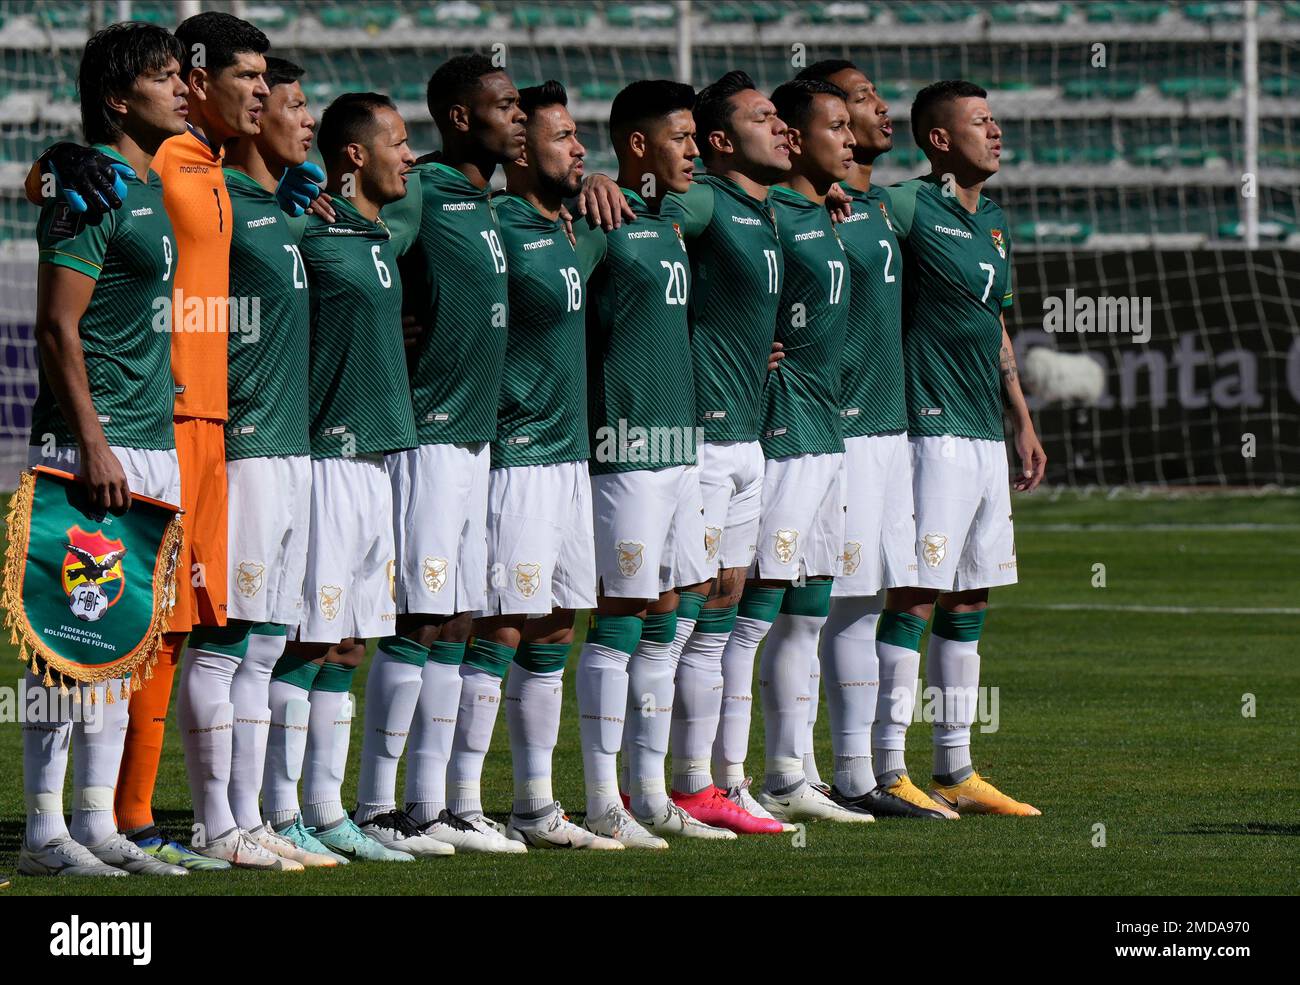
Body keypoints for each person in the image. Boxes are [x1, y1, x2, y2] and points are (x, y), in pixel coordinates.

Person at [19, 22, 191, 878]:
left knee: (122, 646)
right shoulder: (89, 188)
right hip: (91, 443)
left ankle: (97, 823)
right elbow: (56, 326)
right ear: (121, 99)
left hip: (149, 443)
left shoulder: (151, 181)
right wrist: (91, 442)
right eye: (166, 77)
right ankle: (44, 831)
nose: (184, 88)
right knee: (64, 644)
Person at [877, 80, 1045, 816]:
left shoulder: (997, 221)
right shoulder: (909, 205)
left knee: (969, 595)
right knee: (915, 593)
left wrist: (1021, 416)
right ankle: (884, 765)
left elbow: (995, 326)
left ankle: (956, 768)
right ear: (940, 140)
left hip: (982, 431)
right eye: (980, 122)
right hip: (931, 427)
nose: (997, 131)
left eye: (995, 119)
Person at [794, 59, 950, 819]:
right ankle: (814, 772)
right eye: (859, 101)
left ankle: (866, 771)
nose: (881, 110)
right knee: (827, 605)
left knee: (864, 600)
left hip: (889, 429)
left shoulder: (881, 208)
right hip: (843, 427)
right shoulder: (811, 210)